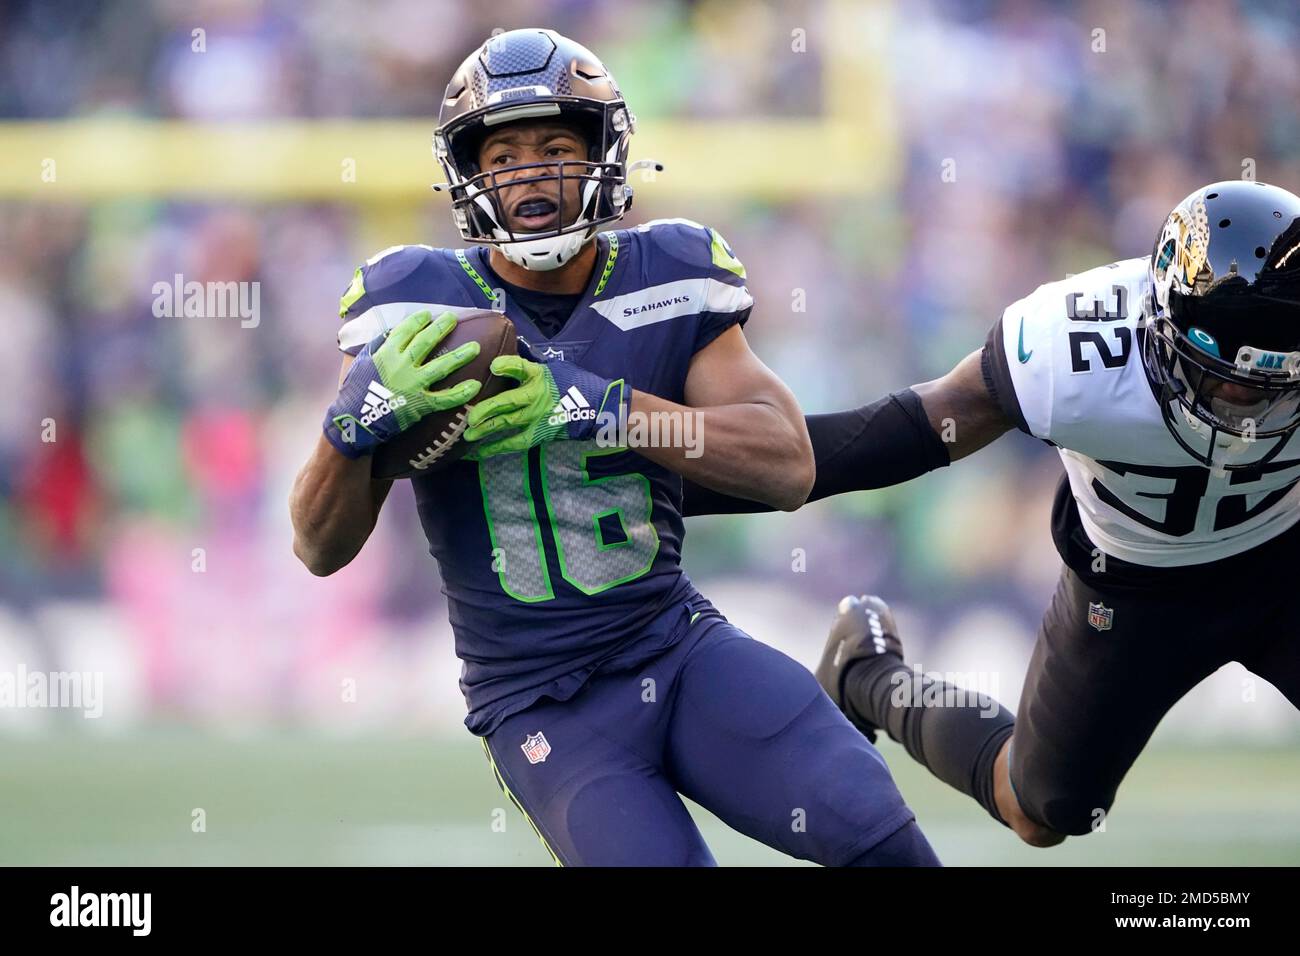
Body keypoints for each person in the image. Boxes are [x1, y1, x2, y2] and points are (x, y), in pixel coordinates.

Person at [289, 28, 938, 867]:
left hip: (678, 646)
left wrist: (602, 408)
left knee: (877, 835)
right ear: (468, 171)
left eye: (557, 146)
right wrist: (355, 426)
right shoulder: (414, 305)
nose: (530, 172)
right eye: (505, 152)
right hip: (544, 706)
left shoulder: (667, 272)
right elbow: (317, 546)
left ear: (605, 153)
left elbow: (787, 464)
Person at [684, 180, 1300, 847]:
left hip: (1286, 558)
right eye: (1222, 378)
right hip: (1132, 580)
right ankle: (867, 676)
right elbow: (906, 435)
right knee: (1039, 811)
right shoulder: (1074, 348)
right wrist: (682, 484)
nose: (1243, 405)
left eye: (1269, 385)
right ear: (1158, 329)